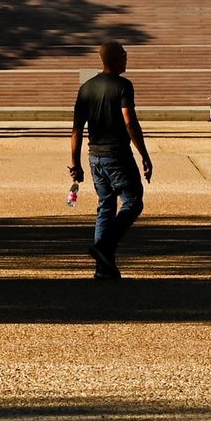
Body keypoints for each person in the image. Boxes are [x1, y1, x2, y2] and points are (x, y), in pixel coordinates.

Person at [70, 41, 153, 280]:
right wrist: (144, 154)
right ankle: (104, 246)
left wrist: (76, 163)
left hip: (94, 156)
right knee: (133, 201)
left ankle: (103, 268)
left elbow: (77, 129)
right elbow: (129, 122)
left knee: (106, 206)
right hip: (117, 154)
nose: (127, 59)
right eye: (124, 55)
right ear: (115, 58)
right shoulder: (123, 86)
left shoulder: (86, 88)